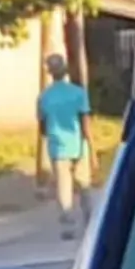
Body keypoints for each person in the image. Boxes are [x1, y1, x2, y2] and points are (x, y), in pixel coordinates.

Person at [38, 54, 95, 240]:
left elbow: (43, 126)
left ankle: (68, 227)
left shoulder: (44, 97)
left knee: (63, 186)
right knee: (84, 185)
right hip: (78, 143)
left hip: (57, 145)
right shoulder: (78, 93)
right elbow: (85, 121)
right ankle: (91, 223)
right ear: (66, 71)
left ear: (50, 73)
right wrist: (92, 148)